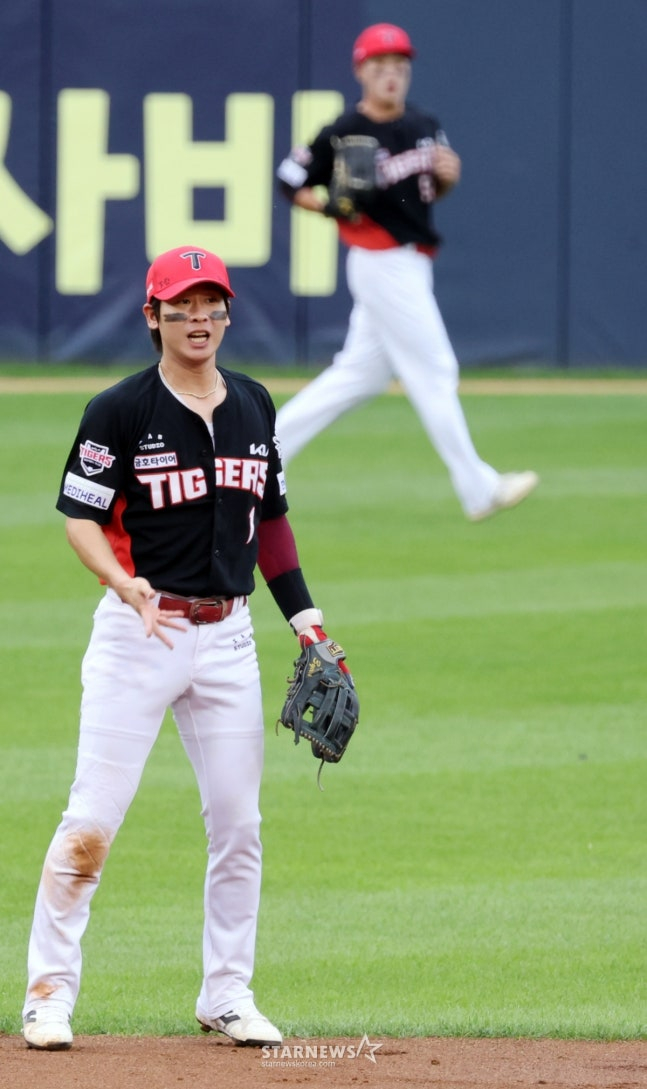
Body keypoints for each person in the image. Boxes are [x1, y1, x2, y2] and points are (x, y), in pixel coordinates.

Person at [21, 245, 345, 1051]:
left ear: (227, 314)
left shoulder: (253, 405)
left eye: (210, 305)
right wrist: (121, 581)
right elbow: (80, 515)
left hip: (228, 637)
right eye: (180, 306)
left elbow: (268, 519)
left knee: (239, 825)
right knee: (91, 820)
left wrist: (304, 618)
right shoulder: (118, 410)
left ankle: (227, 993)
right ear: (152, 317)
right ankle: (49, 995)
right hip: (139, 633)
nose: (197, 319)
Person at [276, 22, 538, 522]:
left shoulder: (423, 125)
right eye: (380, 67)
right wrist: (329, 207)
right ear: (361, 72)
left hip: (412, 260)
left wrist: (446, 181)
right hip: (380, 260)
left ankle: (262, 455)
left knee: (359, 376)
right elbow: (289, 180)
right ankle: (478, 488)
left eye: (399, 67)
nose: (392, 76)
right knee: (435, 370)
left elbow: (423, 195)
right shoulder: (343, 131)